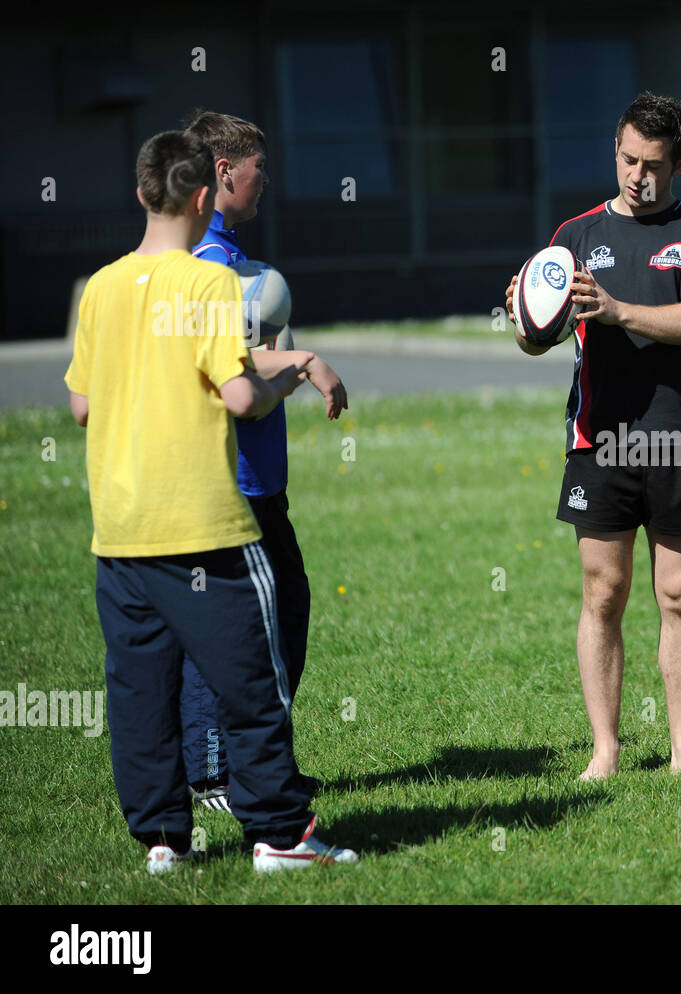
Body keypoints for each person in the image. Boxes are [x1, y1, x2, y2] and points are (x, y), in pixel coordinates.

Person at [65, 130, 357, 871]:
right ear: (204, 197)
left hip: (120, 530)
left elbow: (81, 407)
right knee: (252, 679)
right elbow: (239, 397)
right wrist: (288, 377)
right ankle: (281, 835)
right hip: (201, 523)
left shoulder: (98, 288)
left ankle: (163, 842)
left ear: (141, 194)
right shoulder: (209, 287)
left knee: (141, 692)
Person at [504, 92, 681, 779]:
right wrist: (523, 311)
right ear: (616, 150)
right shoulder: (573, 236)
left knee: (679, 594)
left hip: (680, 437)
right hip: (597, 441)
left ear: (680, 163)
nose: (638, 174)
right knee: (602, 594)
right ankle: (604, 750)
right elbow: (536, 341)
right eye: (628, 159)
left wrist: (613, 308)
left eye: (654, 164)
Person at [179, 110, 348, 812]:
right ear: (224, 173)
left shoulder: (226, 254)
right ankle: (215, 774)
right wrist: (304, 359)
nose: (266, 182)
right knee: (231, 625)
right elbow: (230, 358)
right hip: (229, 480)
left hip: (258, 481)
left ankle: (258, 761)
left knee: (284, 608)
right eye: (257, 171)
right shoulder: (208, 262)